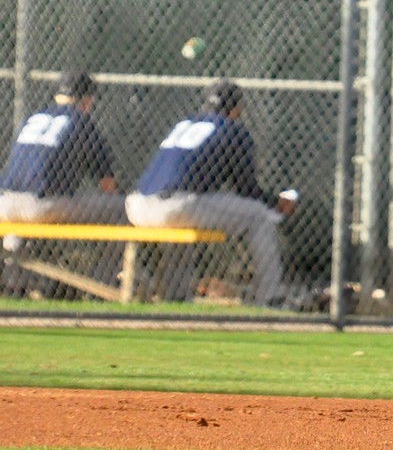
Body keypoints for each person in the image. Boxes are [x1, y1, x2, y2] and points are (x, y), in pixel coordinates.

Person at [125, 79, 297, 306]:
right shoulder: (234, 129)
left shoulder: (184, 123)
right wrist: (276, 202)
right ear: (236, 109)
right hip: (174, 206)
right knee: (258, 216)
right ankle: (270, 297)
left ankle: (175, 295)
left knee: (187, 217)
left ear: (206, 105)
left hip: (136, 206)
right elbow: (246, 189)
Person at [0, 71, 125, 295]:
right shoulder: (82, 121)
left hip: (5, 201)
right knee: (120, 210)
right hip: (44, 205)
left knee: (19, 221)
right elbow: (107, 185)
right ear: (87, 100)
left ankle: (13, 281)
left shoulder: (32, 118)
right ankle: (102, 285)